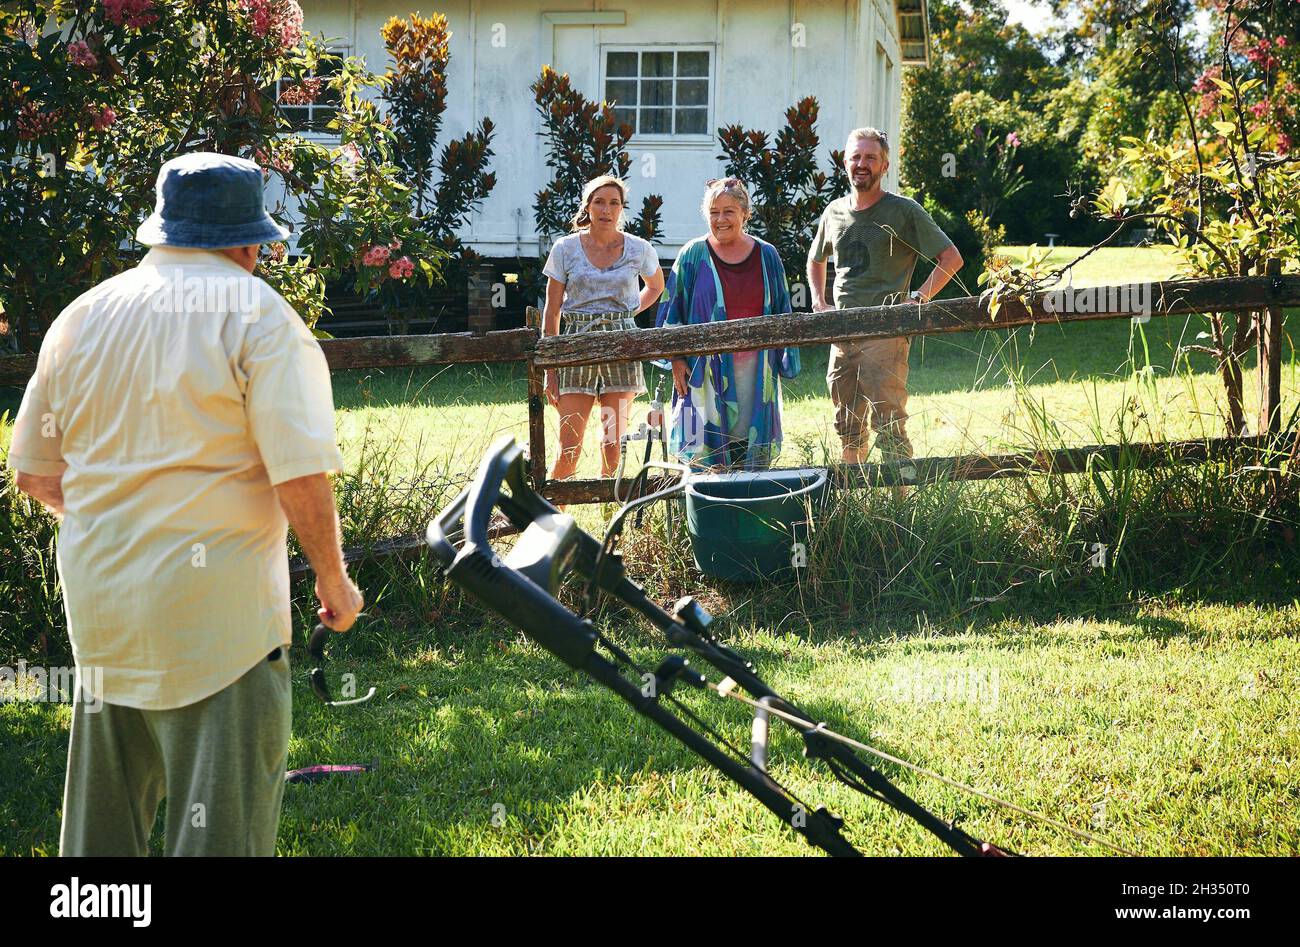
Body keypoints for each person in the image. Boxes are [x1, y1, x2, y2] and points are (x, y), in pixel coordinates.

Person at [6, 152, 363, 856]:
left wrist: (119, 525)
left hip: (104, 613)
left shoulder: (82, 316)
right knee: (217, 835)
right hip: (218, 630)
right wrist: (333, 579)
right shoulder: (261, 317)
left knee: (100, 846)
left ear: (161, 233)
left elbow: (34, 474)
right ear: (247, 242)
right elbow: (299, 473)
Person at [807, 127, 964, 467]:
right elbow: (815, 258)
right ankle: (853, 506)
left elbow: (951, 258)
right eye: (856, 157)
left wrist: (919, 298)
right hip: (842, 334)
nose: (862, 164)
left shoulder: (903, 211)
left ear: (885, 165)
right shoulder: (834, 211)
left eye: (870, 158)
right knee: (847, 427)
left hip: (885, 334)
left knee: (889, 426)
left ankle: (901, 511)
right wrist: (819, 302)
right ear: (845, 163)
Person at [657, 178, 800, 470]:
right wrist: (675, 359)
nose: (720, 219)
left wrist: (785, 358)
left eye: (729, 211)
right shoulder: (692, 255)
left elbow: (784, 312)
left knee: (746, 449)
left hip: (755, 372)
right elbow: (672, 311)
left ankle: (746, 505)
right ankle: (704, 508)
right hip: (701, 373)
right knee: (698, 450)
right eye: (713, 212)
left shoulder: (767, 255)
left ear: (745, 214)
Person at [542, 174, 665, 480]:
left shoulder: (638, 248)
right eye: (599, 202)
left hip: (620, 348)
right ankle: (552, 518)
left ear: (622, 208)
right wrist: (550, 370)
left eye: (614, 203)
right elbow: (552, 309)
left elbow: (656, 286)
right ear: (588, 206)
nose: (606, 209)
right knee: (568, 446)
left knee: (613, 443)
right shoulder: (565, 248)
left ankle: (613, 518)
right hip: (576, 346)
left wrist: (626, 313)